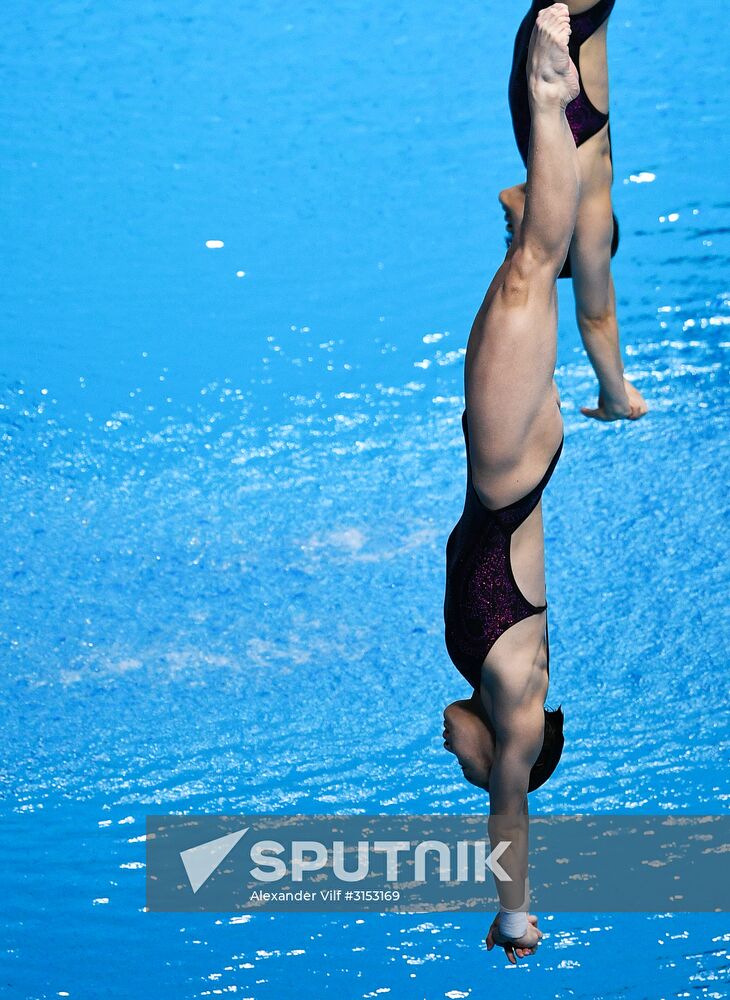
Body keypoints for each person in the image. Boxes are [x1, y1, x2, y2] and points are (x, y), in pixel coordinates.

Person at [442, 4, 580, 964]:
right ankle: (553, 89)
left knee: (524, 267)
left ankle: (539, 89)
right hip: (505, 475)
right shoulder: (512, 716)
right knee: (537, 266)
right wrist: (513, 913)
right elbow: (510, 817)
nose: (445, 750)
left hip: (509, 468)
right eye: (464, 769)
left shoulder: (491, 686)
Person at [500, 0, 648, 422]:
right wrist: (615, 385)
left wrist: (617, 397)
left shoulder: (590, 197)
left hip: (563, 41)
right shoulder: (560, 182)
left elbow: (597, 314)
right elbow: (601, 309)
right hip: (541, 53)